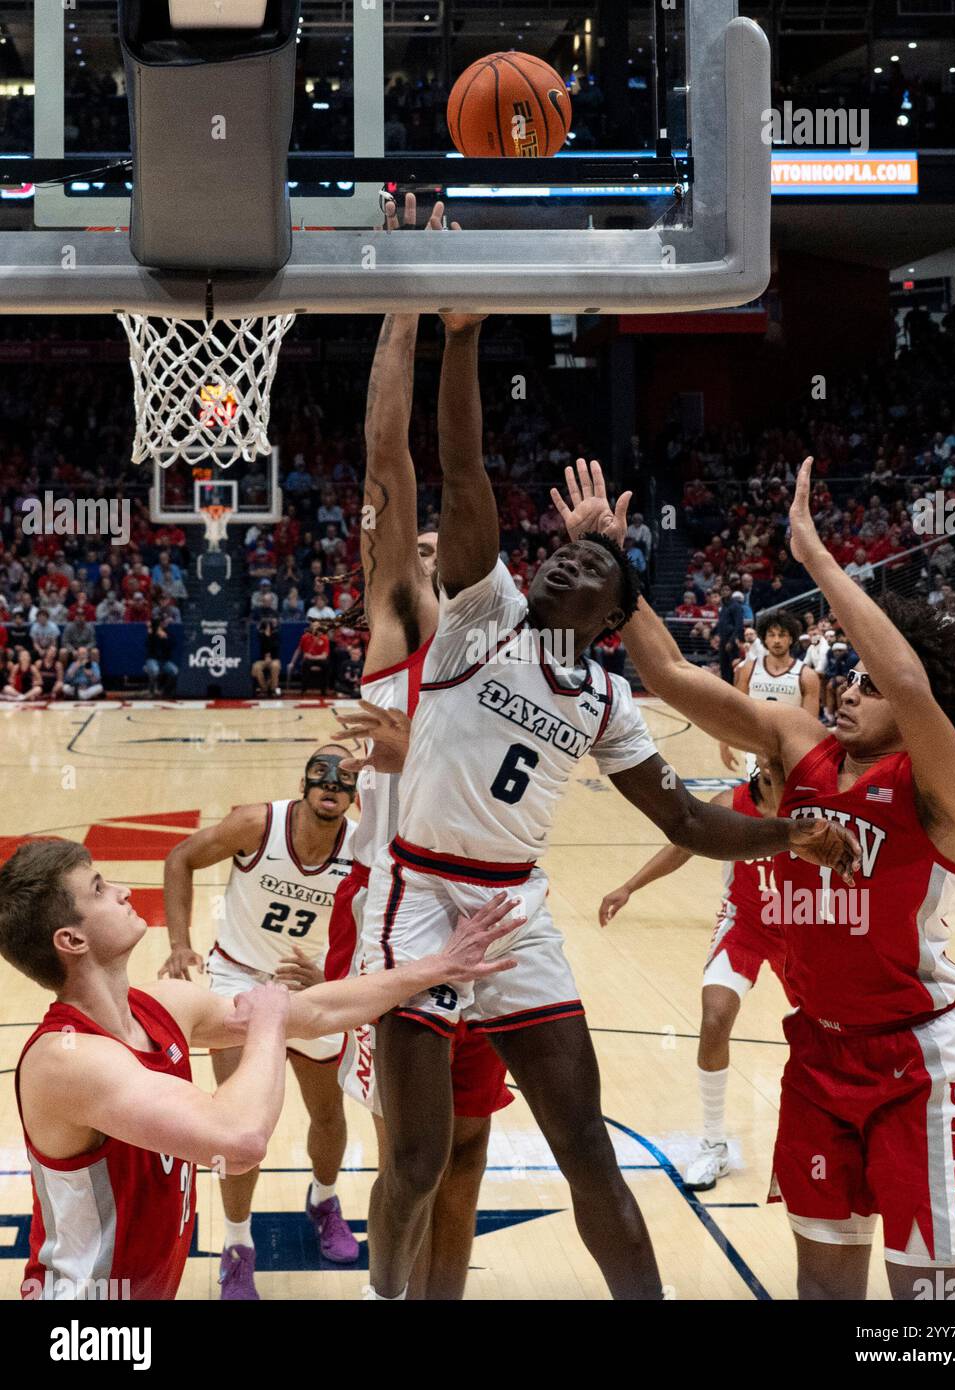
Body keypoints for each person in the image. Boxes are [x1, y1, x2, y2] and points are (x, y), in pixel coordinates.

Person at [350, 340, 857, 1301]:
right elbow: (462, 469)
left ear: (611, 614)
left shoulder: (607, 700)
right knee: (414, 1162)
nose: (560, 558)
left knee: (587, 1145)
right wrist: (462, 338)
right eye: (560, 548)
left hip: (515, 914)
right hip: (415, 892)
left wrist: (789, 834)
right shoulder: (482, 612)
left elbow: (691, 818)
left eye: (586, 560)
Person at [618, 456, 955, 1299]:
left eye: (867, 683)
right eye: (845, 679)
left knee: (928, 1313)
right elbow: (670, 678)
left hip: (919, 1061)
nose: (852, 690)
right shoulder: (797, 745)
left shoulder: (946, 788)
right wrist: (618, 572)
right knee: (823, 1292)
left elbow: (903, 674)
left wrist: (818, 559)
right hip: (818, 1054)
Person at [0, 838, 520, 1301]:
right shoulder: (67, 1059)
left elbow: (319, 1011)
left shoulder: (163, 1005)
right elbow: (237, 1142)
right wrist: (270, 1024)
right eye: (98, 889)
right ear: (71, 940)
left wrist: (439, 965)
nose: (122, 891)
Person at [328, 194, 523, 1304]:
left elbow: (467, 474)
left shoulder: (493, 637)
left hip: (489, 907)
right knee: (408, 1156)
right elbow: (389, 457)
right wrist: (405, 305)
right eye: (426, 536)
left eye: (457, 535)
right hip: (391, 909)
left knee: (468, 1154)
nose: (436, 536)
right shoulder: (402, 615)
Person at [159, 746, 360, 1300]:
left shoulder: (362, 849)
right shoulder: (257, 822)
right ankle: (237, 1244)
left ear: (353, 795)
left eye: (345, 779)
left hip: (311, 989)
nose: (332, 783)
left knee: (327, 1112)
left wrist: (332, 973)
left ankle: (323, 1200)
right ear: (305, 782)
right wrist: (180, 944)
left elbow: (379, 925)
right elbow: (180, 858)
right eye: (322, 772)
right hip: (239, 981)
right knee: (236, 1127)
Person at [598, 766, 792, 1191]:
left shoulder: (813, 805)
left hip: (800, 925)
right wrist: (629, 887)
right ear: (763, 778)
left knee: (827, 1033)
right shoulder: (730, 805)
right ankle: (713, 1145)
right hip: (745, 925)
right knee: (714, 1019)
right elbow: (683, 845)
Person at [719, 612, 819, 773]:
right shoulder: (749, 669)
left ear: (791, 638)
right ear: (764, 639)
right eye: (771, 635)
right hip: (757, 745)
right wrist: (724, 743)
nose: (777, 640)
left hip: (791, 746)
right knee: (761, 791)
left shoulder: (807, 675)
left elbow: (811, 724)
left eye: (782, 635)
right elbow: (735, 708)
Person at [144, 615, 178, 698]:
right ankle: (152, 691)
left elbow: (172, 645)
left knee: (174, 671)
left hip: (164, 661)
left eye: (164, 622)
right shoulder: (152, 633)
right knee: (155, 670)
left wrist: (165, 637)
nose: (164, 623)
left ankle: (165, 692)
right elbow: (148, 645)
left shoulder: (168, 633)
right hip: (152, 659)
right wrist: (151, 633)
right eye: (161, 622)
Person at [252, 615, 282, 698]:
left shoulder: (276, 634)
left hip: (274, 659)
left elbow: (273, 646)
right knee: (256, 667)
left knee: (275, 666)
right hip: (262, 660)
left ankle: (273, 689)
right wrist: (265, 635)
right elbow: (260, 640)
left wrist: (268, 655)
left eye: (269, 624)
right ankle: (264, 689)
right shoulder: (260, 635)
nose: (268, 627)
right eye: (266, 625)